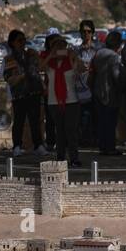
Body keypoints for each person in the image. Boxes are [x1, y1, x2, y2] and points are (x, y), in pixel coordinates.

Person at [2, 29, 47, 157]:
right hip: (19, 94)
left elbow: (42, 67)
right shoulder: (9, 59)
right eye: (19, 40)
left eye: (24, 40)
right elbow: (9, 79)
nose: (23, 43)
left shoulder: (30, 55)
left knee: (35, 120)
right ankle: (17, 146)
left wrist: (37, 56)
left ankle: (38, 145)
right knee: (19, 121)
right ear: (12, 43)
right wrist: (22, 76)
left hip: (34, 92)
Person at [44, 35, 84, 167]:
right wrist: (51, 55)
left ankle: (74, 158)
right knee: (59, 131)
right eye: (57, 46)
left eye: (62, 46)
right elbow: (39, 67)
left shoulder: (70, 59)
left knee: (71, 130)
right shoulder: (49, 63)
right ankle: (60, 158)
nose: (60, 49)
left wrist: (73, 56)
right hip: (54, 102)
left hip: (71, 101)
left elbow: (81, 69)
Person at [91, 29, 124, 155]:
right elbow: (116, 76)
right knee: (110, 122)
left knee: (102, 122)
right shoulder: (114, 56)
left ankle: (102, 147)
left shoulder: (99, 53)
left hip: (98, 92)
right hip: (110, 94)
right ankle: (110, 148)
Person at [76, 19, 100, 147]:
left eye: (88, 31)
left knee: (96, 116)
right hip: (81, 90)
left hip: (95, 87)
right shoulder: (76, 50)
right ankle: (85, 142)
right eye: (83, 31)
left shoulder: (98, 49)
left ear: (92, 33)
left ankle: (95, 141)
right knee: (83, 118)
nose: (86, 34)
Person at [39, 29, 62, 150]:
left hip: (63, 89)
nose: (54, 42)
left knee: (62, 117)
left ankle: (62, 141)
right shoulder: (44, 54)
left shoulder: (64, 53)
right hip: (49, 89)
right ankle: (50, 142)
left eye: (56, 39)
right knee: (50, 118)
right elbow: (40, 67)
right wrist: (51, 55)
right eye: (51, 39)